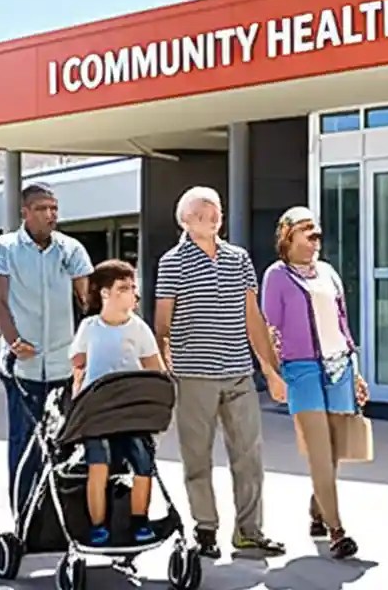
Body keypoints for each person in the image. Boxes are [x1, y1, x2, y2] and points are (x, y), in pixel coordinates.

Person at [153, 186, 287, 559]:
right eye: (202, 213)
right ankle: (206, 530)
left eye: (216, 212)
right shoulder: (172, 263)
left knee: (249, 456)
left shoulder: (238, 258)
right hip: (194, 375)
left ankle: (249, 531)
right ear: (185, 220)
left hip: (239, 372)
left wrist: (270, 372)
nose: (211, 218)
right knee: (197, 458)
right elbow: (163, 322)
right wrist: (164, 367)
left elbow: (253, 317)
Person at [259, 206, 368, 559]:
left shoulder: (328, 273)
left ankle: (317, 511)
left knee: (333, 451)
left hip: (339, 365)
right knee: (319, 450)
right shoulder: (276, 276)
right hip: (300, 369)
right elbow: (269, 329)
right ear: (288, 236)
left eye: (318, 233)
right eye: (308, 233)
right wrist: (273, 374)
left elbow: (342, 323)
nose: (316, 240)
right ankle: (337, 531)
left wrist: (356, 371)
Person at [0, 181, 94, 514]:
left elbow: (88, 301)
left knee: (65, 442)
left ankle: (59, 516)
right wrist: (14, 340)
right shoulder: (2, 249)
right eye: (42, 209)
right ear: (25, 212)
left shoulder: (70, 249)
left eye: (54, 208)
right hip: (23, 368)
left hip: (63, 365)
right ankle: (24, 515)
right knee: (26, 443)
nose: (50, 215)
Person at [69, 259, 165, 546]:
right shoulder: (90, 327)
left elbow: (156, 371)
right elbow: (78, 367)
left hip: (130, 410)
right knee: (98, 464)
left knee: (143, 463)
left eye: (133, 287)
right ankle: (98, 525)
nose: (133, 293)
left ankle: (139, 521)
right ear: (105, 293)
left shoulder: (139, 329)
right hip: (97, 411)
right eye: (124, 288)